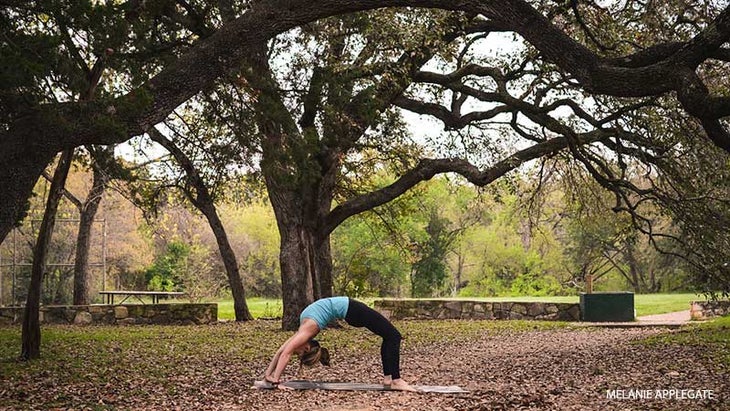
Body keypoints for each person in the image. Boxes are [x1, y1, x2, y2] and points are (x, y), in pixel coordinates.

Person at [261, 296, 417, 391]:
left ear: (306, 347)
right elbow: (283, 352)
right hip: (352, 310)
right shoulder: (304, 332)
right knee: (393, 336)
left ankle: (390, 379)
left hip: (352, 310)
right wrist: (270, 377)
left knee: (390, 336)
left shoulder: (305, 332)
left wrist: (274, 379)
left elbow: (284, 352)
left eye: (298, 352)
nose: (295, 351)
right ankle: (395, 380)